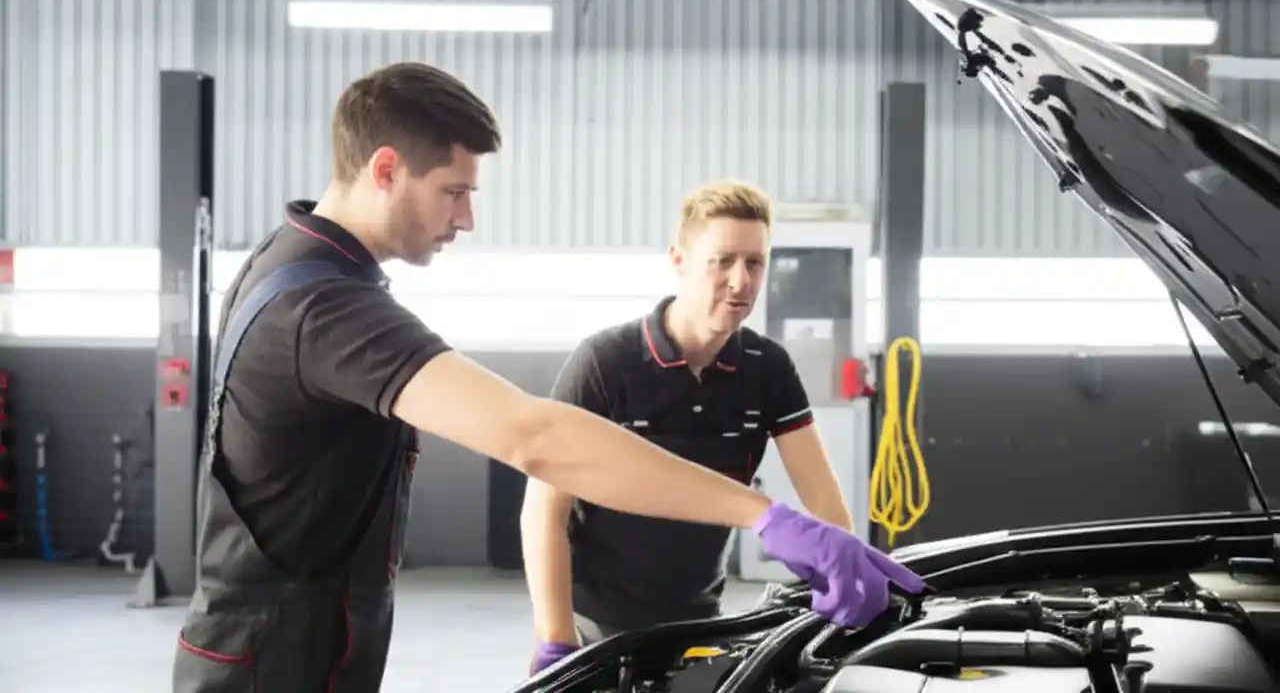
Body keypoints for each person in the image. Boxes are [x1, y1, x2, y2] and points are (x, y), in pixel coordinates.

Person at [170, 62, 924, 693]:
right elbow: (536, 438)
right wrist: (764, 516)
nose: (466, 219)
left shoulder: (303, 266)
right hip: (272, 663)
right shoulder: (324, 306)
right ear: (387, 169)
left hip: (298, 644)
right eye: (455, 192)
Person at [521, 180, 872, 673]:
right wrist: (557, 639)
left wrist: (843, 571)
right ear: (679, 260)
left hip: (699, 623)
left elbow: (825, 500)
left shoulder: (767, 369)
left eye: (755, 263)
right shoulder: (605, 363)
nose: (741, 280)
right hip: (591, 625)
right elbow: (543, 508)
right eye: (723, 260)